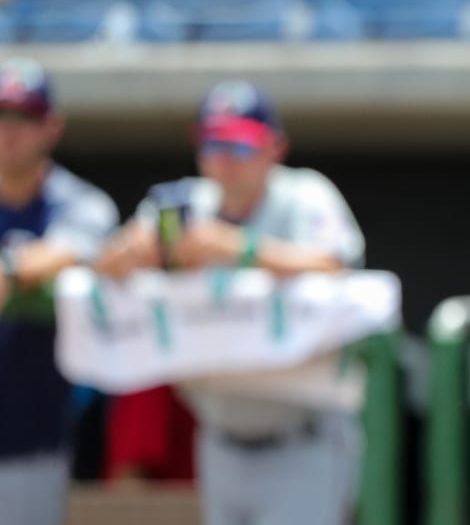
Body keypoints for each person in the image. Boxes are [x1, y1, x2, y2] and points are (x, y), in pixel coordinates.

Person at [93, 79, 366, 525]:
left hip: (301, 440)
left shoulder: (303, 194)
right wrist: (131, 253)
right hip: (220, 439)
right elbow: (104, 266)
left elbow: (339, 264)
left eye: (240, 146)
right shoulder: (179, 204)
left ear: (274, 148)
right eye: (214, 144)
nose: (225, 160)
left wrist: (240, 248)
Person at [0, 57, 120, 525]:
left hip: (34, 444)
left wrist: (11, 269)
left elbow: (84, 244)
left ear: (51, 126)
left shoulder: (77, 201)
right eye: (1, 117)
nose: (10, 131)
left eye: (24, 118)